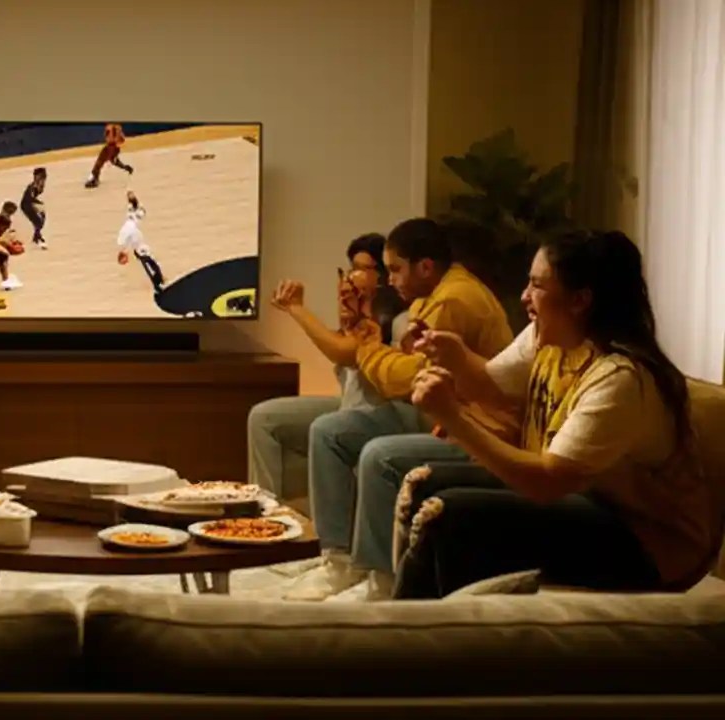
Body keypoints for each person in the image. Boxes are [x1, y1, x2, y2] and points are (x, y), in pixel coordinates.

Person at [388, 230, 723, 598]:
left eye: (537, 285)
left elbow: (547, 482)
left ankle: (410, 630)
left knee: (446, 515)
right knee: (424, 484)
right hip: (585, 496)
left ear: (579, 300)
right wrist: (455, 356)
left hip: (645, 538)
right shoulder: (549, 336)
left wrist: (453, 418)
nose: (524, 296)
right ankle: (405, 619)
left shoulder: (620, 378)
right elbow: (492, 386)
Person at [288, 217, 516, 601]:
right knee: (328, 431)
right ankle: (338, 560)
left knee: (379, 455)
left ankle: (381, 580)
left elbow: (408, 380)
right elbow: (406, 363)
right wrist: (371, 340)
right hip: (438, 415)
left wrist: (367, 347)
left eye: (394, 269)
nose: (390, 279)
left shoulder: (454, 299)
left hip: (473, 427)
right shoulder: (433, 294)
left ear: (424, 266)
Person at [250, 233, 406, 501]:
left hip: (384, 415)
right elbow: (340, 341)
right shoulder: (358, 308)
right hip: (350, 405)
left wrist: (297, 309)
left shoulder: (393, 316)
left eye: (361, 269)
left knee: (327, 427)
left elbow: (344, 352)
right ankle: (266, 507)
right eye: (351, 268)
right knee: (264, 418)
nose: (350, 278)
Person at [116, 191, 165, 293]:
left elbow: (135, 209)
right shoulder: (131, 222)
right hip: (139, 248)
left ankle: (159, 282)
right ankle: (158, 284)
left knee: (152, 264)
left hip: (140, 246)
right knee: (150, 265)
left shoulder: (131, 217)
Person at [85, 123, 134, 189]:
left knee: (100, 162)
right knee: (110, 160)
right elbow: (121, 139)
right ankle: (94, 177)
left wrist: (113, 140)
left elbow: (111, 137)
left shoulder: (112, 127)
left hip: (111, 146)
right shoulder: (116, 127)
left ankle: (93, 178)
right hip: (114, 146)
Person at [20, 167, 49, 249]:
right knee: (38, 221)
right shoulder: (33, 186)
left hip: (29, 204)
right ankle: (37, 237)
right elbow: (29, 198)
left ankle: (37, 236)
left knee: (40, 218)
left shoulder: (39, 185)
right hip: (26, 205)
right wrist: (38, 203)